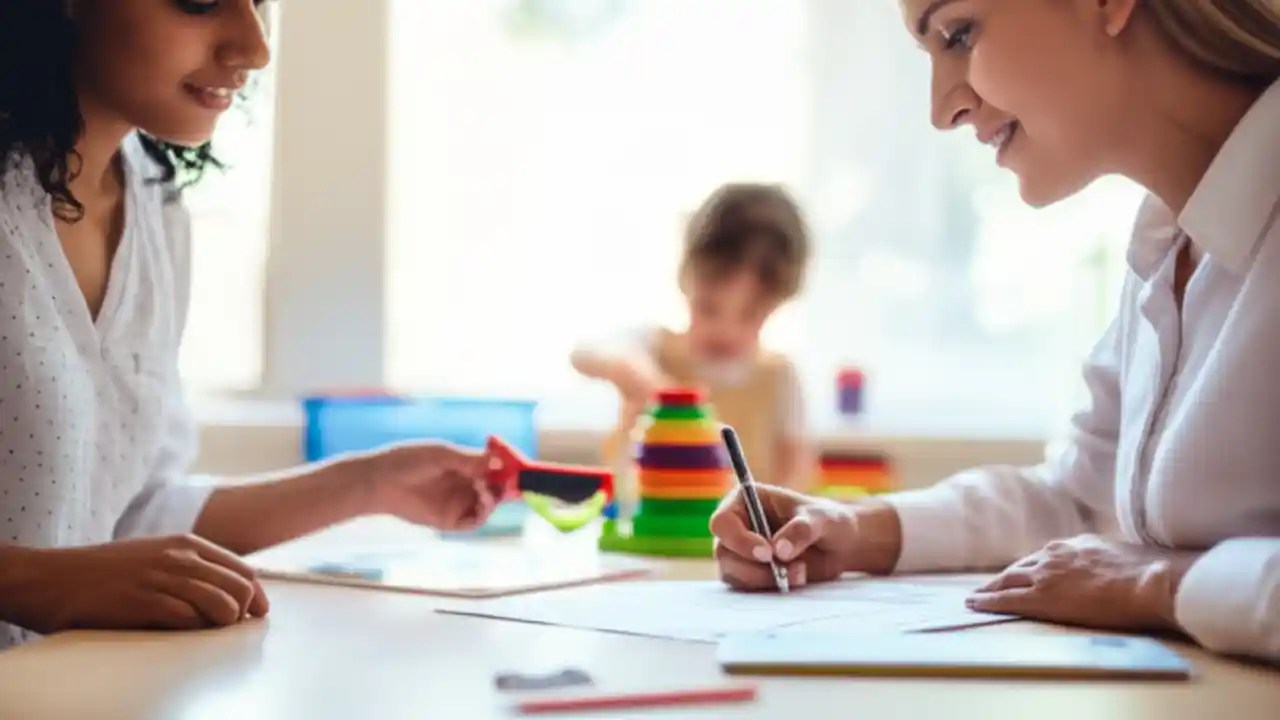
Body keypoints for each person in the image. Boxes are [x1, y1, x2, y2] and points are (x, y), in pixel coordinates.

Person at [710, 0, 1280, 663]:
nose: (941, 109)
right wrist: (853, 528)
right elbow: (1077, 505)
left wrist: (1158, 586)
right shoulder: (1168, 245)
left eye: (959, 33)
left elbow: (1115, 565)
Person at [0, 0, 496, 648]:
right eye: (202, 1)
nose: (256, 47)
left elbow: (131, 517)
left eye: (261, 2)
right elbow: (75, 568)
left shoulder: (153, 204)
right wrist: (37, 582)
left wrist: (371, 482)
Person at [571, 183, 815, 490]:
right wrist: (640, 379)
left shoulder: (780, 377)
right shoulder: (651, 349)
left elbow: (793, 477)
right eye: (708, 307)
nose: (726, 330)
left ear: (779, 304)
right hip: (643, 531)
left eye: (751, 314)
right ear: (686, 279)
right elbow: (583, 353)